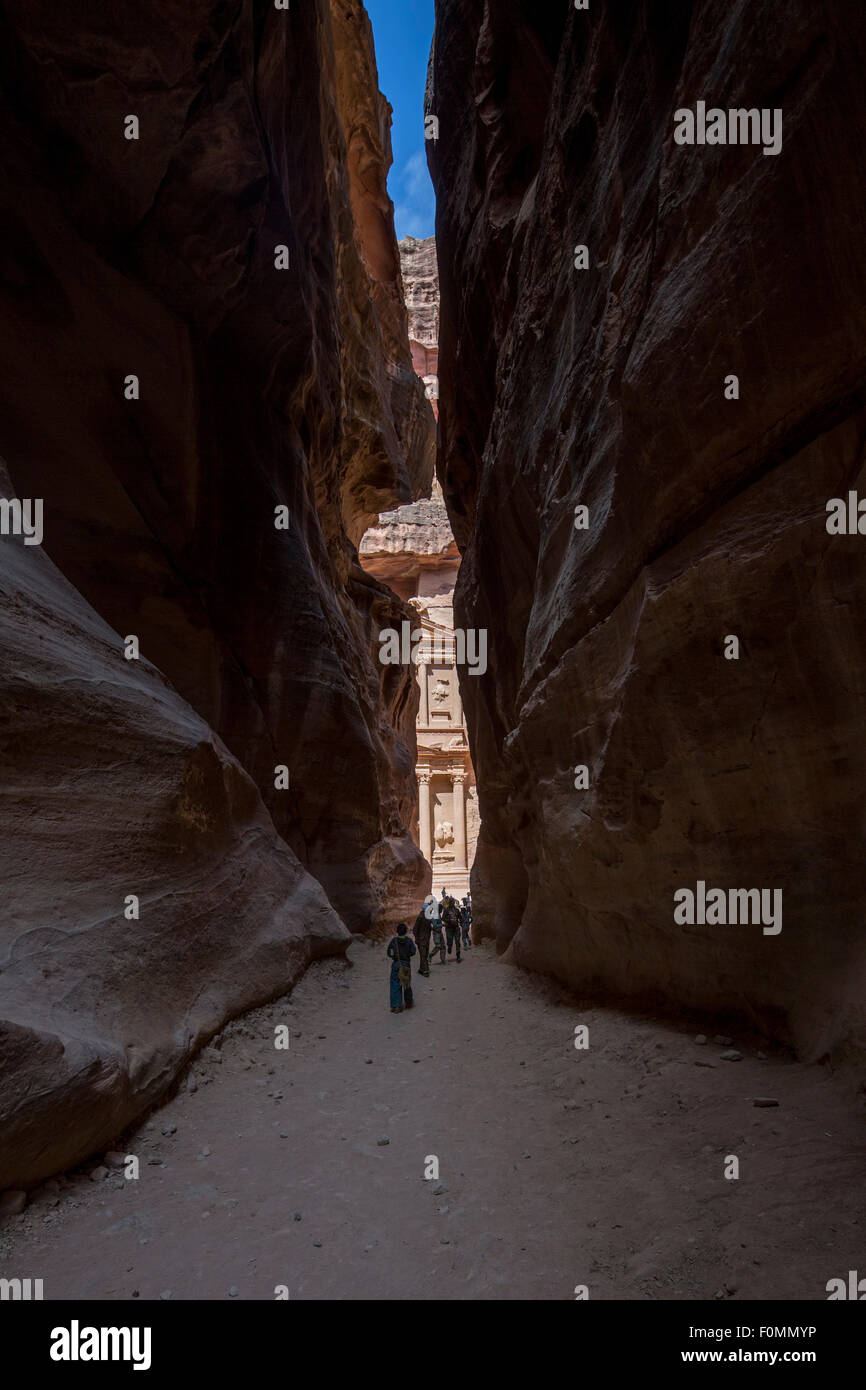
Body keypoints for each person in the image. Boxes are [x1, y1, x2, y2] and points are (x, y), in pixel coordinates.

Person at [387, 923, 416, 1012]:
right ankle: (409, 1003)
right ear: (406, 931)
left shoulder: (393, 941)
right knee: (406, 983)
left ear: (397, 931)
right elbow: (413, 952)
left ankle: (396, 1006)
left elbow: (389, 952)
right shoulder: (409, 941)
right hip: (406, 964)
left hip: (396, 964)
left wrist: (394, 957)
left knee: (395, 984)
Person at [413, 896, 434, 976]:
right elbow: (415, 929)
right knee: (424, 955)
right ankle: (426, 970)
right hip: (422, 940)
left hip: (425, 939)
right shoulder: (422, 918)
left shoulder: (426, 917)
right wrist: (417, 938)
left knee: (424, 954)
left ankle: (421, 969)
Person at [441, 889, 462, 962]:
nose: (452, 903)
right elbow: (443, 918)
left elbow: (460, 917)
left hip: (456, 928)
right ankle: (449, 947)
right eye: (451, 902)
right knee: (449, 941)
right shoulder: (446, 910)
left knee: (457, 942)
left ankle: (458, 956)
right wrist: (448, 921)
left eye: (452, 902)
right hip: (449, 928)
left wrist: (461, 922)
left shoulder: (457, 910)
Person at [428, 892, 446, 966]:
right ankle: (430, 956)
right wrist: (442, 924)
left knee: (443, 946)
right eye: (441, 909)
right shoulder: (435, 915)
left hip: (439, 932)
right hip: (436, 932)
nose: (442, 911)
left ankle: (443, 960)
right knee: (438, 946)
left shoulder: (437, 914)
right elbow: (435, 925)